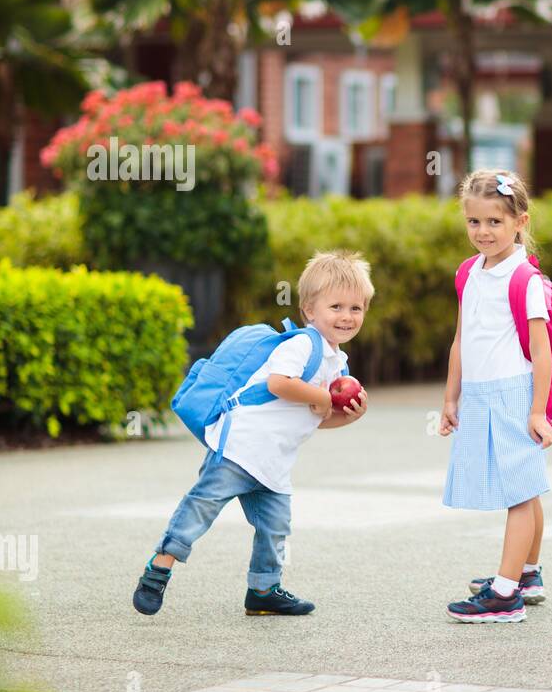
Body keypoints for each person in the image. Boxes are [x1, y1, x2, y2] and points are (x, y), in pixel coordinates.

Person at [132, 250, 372, 617]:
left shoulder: (337, 363)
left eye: (356, 308)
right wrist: (325, 396)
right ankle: (160, 565)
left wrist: (346, 417)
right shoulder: (302, 345)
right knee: (202, 507)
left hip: (274, 463)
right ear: (309, 310)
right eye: (336, 306)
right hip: (240, 447)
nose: (346, 316)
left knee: (275, 527)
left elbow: (313, 418)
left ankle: (263, 590)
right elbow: (279, 384)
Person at [441, 170, 552, 624]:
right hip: (480, 394)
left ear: (519, 222)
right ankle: (527, 574)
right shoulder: (469, 273)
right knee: (523, 486)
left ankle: (505, 595)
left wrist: (537, 410)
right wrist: (452, 397)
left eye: (494, 222)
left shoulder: (524, 278)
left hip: (513, 394)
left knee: (520, 494)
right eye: (473, 222)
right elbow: (461, 339)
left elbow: (542, 350)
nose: (483, 232)